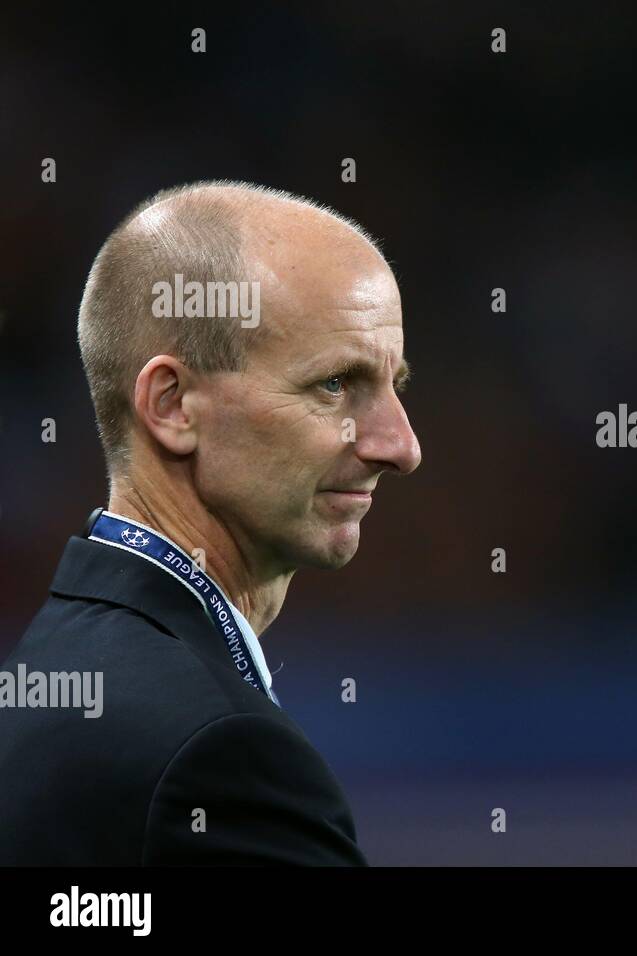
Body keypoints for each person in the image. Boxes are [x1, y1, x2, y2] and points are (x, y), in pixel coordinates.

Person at [0, 181, 421, 864]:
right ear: (172, 406)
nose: (401, 446)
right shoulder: (217, 753)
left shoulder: (56, 670)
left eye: (394, 386)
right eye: (336, 384)